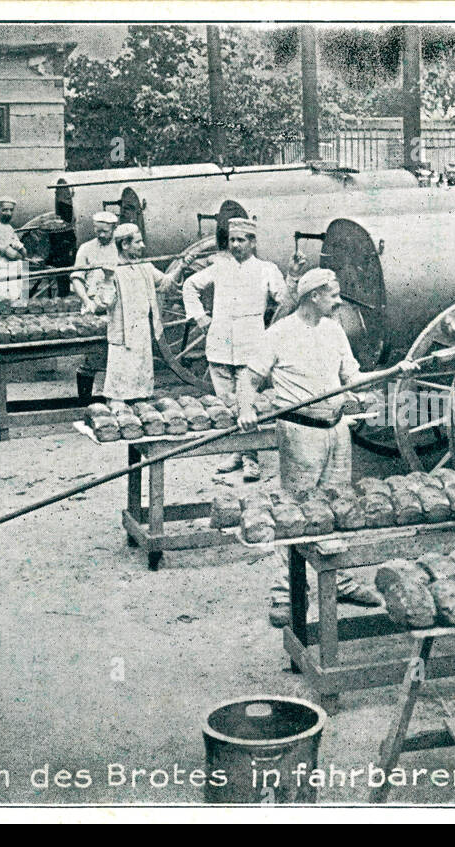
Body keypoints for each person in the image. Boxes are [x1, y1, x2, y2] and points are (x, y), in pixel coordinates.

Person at [237, 268, 414, 624]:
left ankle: (340, 582)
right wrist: (245, 409)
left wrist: (392, 372)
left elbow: (352, 379)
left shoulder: (335, 331)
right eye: (333, 295)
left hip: (337, 431)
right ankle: (287, 593)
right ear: (314, 296)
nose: (338, 301)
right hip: (300, 432)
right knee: (296, 515)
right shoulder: (280, 333)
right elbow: (249, 378)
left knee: (338, 509)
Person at [181, 217, 298, 481]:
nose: (235, 245)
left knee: (248, 403)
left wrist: (292, 277)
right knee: (227, 403)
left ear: (253, 242)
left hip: (251, 347)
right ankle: (237, 452)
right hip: (219, 344)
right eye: (232, 240)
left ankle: (250, 459)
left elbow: (285, 301)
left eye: (241, 240)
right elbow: (190, 286)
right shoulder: (219, 267)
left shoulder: (267, 269)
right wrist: (200, 317)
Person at [103, 223, 195, 402]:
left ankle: (139, 408)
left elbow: (165, 283)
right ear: (125, 245)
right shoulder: (112, 270)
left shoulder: (145, 267)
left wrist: (183, 266)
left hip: (143, 331)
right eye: (138, 242)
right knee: (119, 386)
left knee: (140, 381)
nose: (143, 246)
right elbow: (105, 302)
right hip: (122, 334)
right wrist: (107, 278)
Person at [72, 212, 124, 402]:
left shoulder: (120, 250)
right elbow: (77, 278)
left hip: (116, 308)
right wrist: (86, 301)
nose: (101, 235)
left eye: (105, 231)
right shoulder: (86, 249)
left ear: (114, 229)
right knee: (91, 356)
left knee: (117, 355)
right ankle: (84, 401)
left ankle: (117, 398)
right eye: (97, 230)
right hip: (93, 307)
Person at [0, 196, 29, 299]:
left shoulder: (7, 227)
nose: (9, 213)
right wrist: (21, 253)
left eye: (11, 210)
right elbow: (13, 254)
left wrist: (21, 252)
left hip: (11, 269)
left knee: (16, 302)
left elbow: (23, 251)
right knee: (4, 304)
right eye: (5, 210)